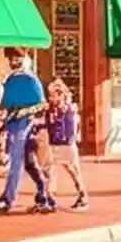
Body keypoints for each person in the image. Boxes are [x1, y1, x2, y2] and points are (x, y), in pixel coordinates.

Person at [0, 49, 46, 214]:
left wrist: (23, 112)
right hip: (12, 125)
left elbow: (42, 104)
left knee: (16, 162)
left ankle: (8, 199)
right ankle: (44, 192)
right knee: (29, 164)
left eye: (17, 58)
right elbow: (5, 104)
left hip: (25, 126)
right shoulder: (10, 80)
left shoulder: (31, 80)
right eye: (11, 59)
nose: (14, 62)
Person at [45, 79, 88, 210]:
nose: (50, 98)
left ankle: (82, 194)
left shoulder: (68, 109)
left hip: (67, 143)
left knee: (73, 169)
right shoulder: (50, 109)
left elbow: (74, 125)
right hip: (54, 142)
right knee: (50, 169)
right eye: (49, 95)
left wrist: (74, 137)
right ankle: (50, 197)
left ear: (60, 95)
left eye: (52, 95)